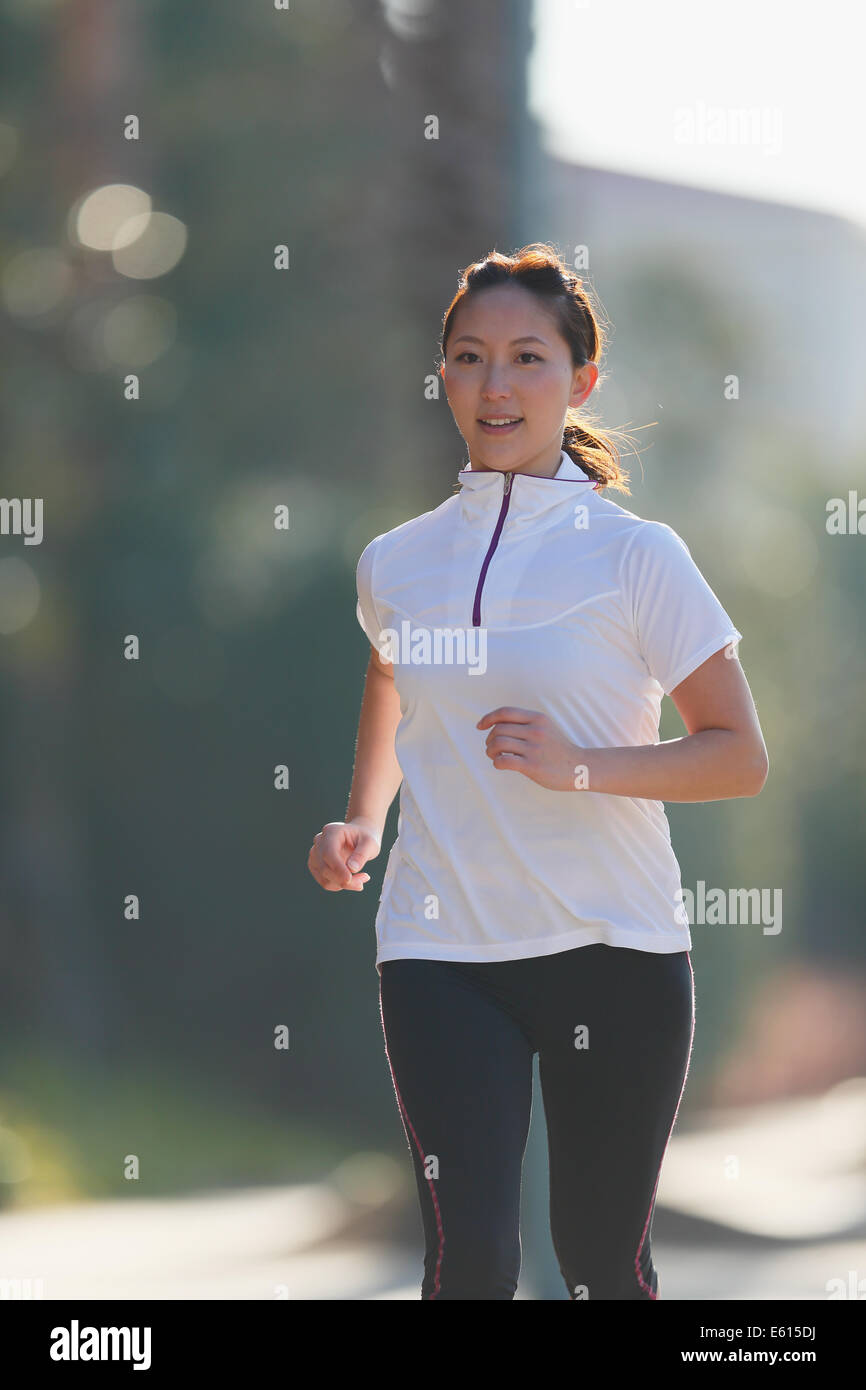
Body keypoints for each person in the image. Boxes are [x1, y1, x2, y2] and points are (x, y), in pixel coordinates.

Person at [307, 243, 769, 1300]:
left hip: (612, 945)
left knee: (601, 1267)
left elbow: (736, 756)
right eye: (469, 358)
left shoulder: (636, 555)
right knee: (468, 1262)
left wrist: (577, 767)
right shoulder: (397, 561)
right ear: (444, 379)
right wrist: (361, 819)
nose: (496, 384)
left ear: (579, 381)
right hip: (438, 948)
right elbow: (392, 678)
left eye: (525, 357)